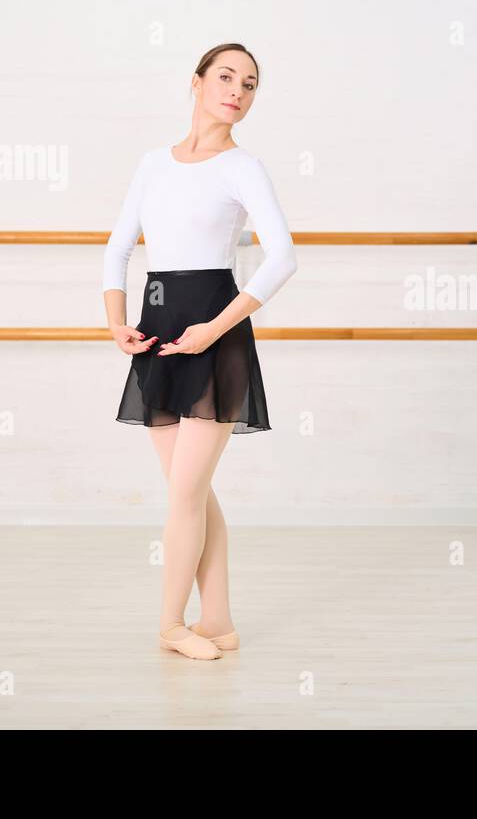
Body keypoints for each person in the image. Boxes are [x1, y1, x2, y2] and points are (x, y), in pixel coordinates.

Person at [102, 43, 298, 660]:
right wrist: (117, 325)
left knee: (186, 493)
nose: (237, 90)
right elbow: (117, 249)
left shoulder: (243, 166)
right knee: (191, 491)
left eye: (250, 83)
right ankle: (218, 620)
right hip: (159, 330)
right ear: (196, 83)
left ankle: (169, 624)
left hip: (216, 333)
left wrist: (214, 330)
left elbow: (283, 258)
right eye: (226, 76)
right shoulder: (152, 162)